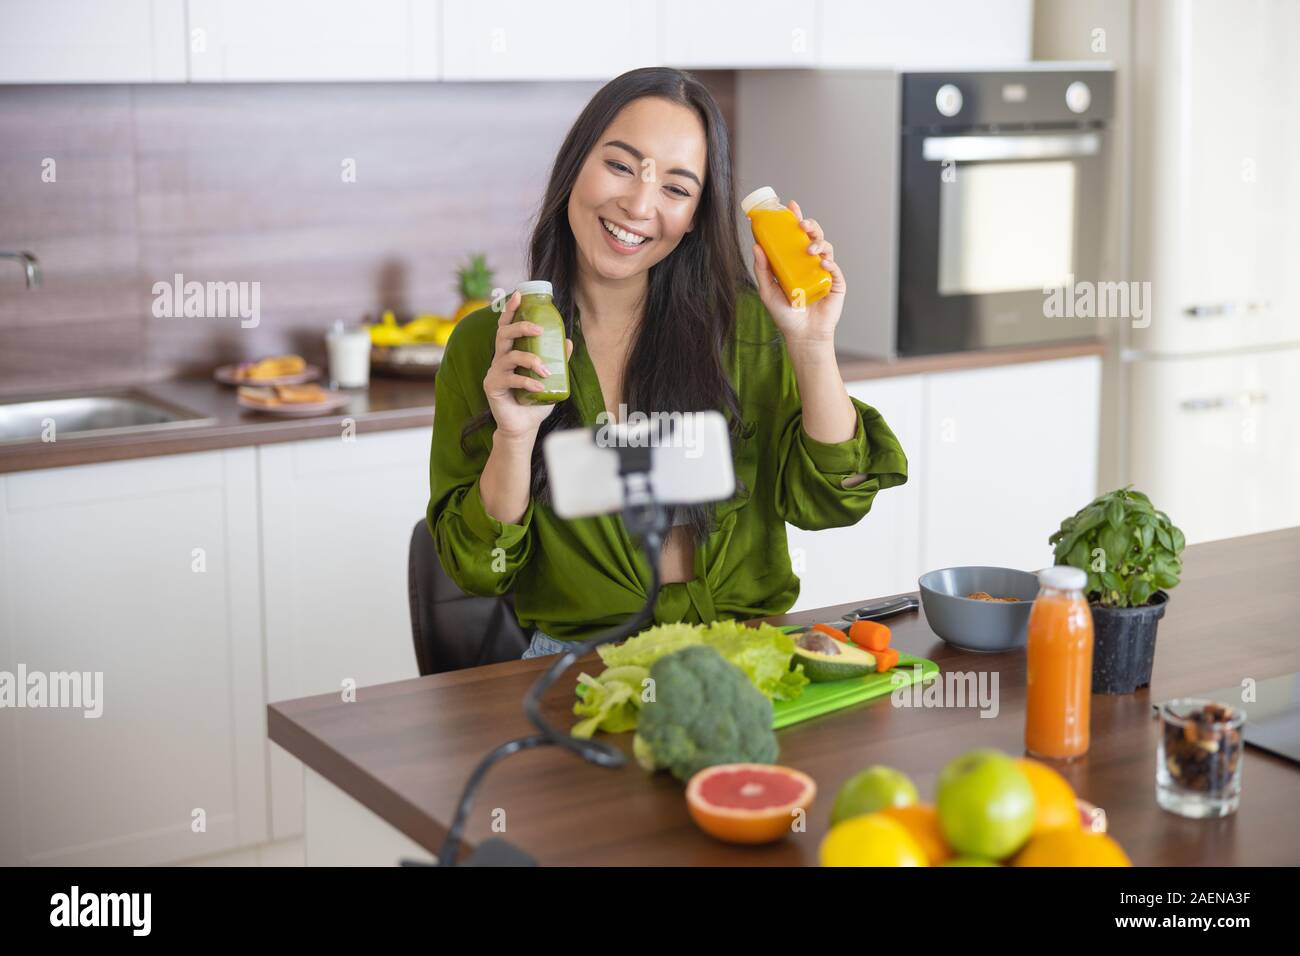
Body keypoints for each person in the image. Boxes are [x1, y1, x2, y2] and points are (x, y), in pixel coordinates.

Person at [427, 67, 907, 657]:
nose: (637, 205)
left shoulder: (749, 326)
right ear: (576, 163)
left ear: (697, 214)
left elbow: (837, 499)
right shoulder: (491, 344)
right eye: (621, 166)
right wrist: (515, 436)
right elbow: (481, 569)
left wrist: (811, 345)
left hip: (748, 653)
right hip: (576, 667)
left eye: (676, 189)